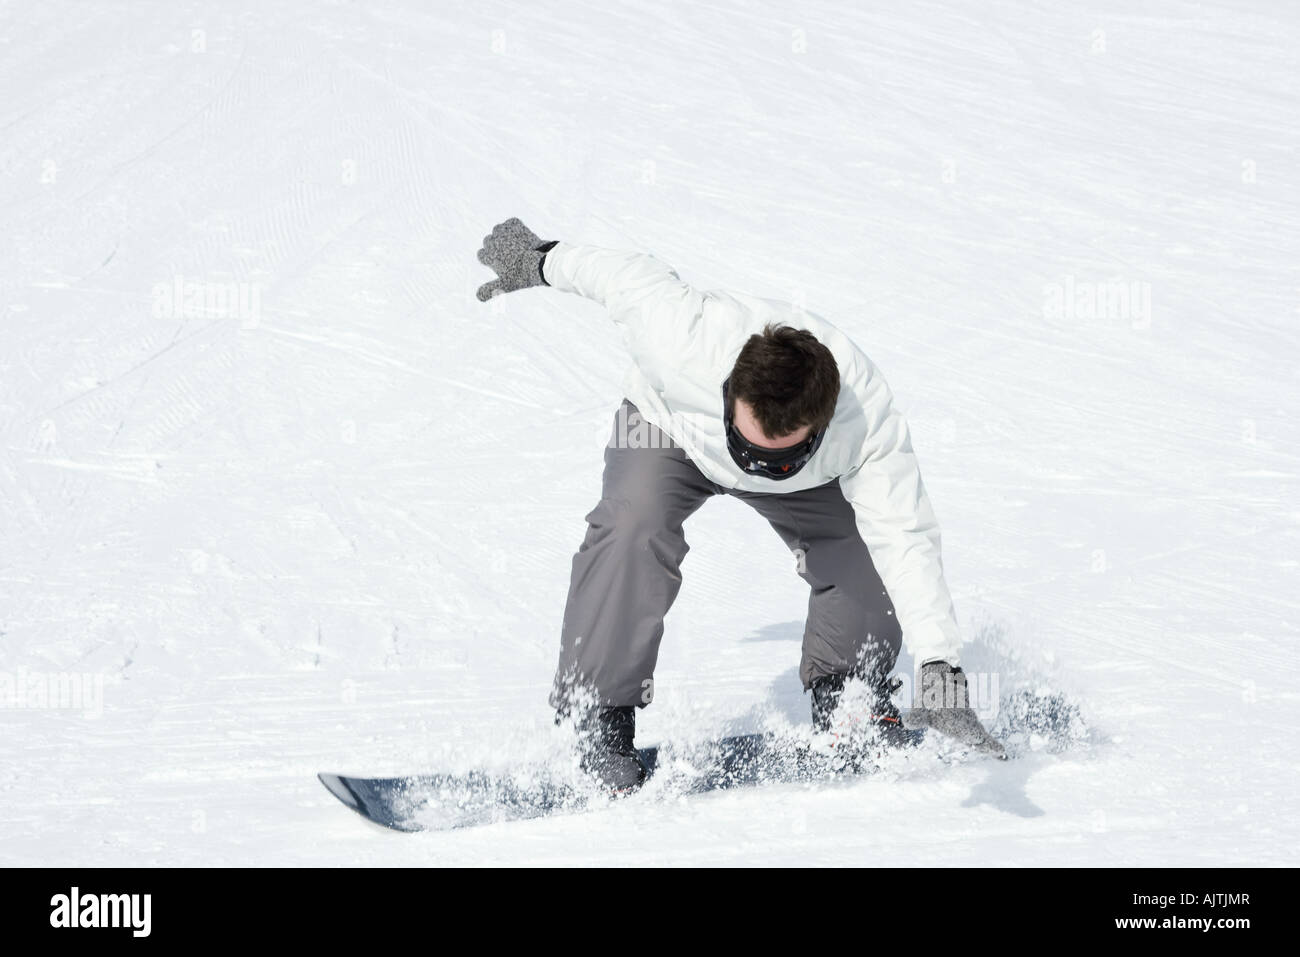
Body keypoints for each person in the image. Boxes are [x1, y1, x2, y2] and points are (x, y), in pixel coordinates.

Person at [475, 217, 1005, 791]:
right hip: (668, 431)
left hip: (813, 483)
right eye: (747, 447)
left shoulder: (865, 422)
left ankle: (851, 699)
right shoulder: (681, 337)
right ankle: (597, 720)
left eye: (775, 458)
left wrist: (939, 665)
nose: (753, 467)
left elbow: (906, 537)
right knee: (630, 528)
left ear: (820, 425)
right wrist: (541, 258)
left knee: (866, 557)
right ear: (730, 394)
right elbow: (619, 273)